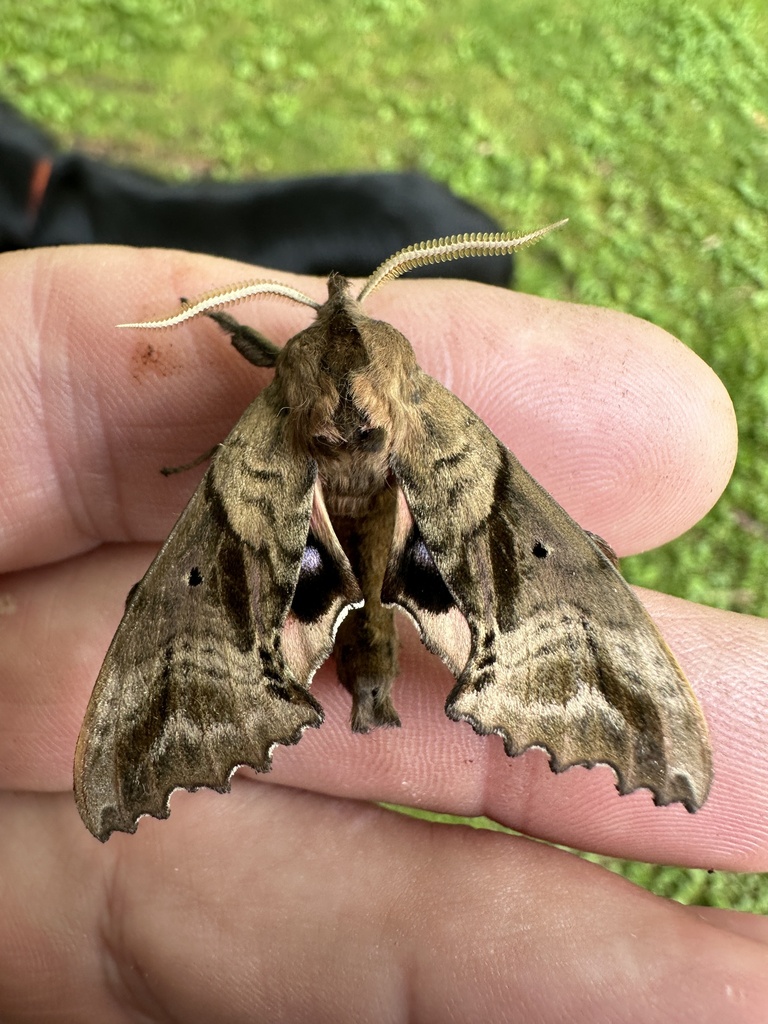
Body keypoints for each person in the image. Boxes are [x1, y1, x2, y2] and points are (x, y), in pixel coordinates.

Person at [1, 244, 766, 1022]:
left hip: (284, 517)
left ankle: (364, 646)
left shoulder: (272, 408)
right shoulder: (427, 410)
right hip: (397, 522)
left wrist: (233, 340)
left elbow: (256, 357)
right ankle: (375, 659)